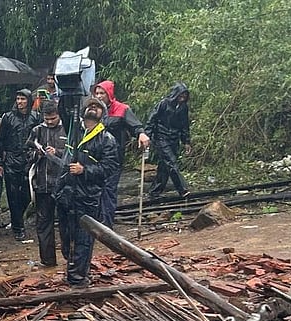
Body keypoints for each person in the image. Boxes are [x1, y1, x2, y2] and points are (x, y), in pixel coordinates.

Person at [56, 99, 119, 287]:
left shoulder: (106, 139)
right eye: (90, 106)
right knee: (66, 237)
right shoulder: (74, 131)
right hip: (67, 193)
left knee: (83, 238)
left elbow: (110, 167)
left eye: (98, 107)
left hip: (88, 195)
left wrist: (85, 170)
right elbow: (63, 107)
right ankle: (72, 270)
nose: (93, 108)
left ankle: (78, 278)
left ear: (103, 113)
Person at [92, 81, 150, 224]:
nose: (99, 96)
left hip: (114, 157)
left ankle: (107, 225)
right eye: (97, 93)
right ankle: (96, 222)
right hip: (94, 157)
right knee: (95, 190)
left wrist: (141, 134)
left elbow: (135, 125)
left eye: (102, 93)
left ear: (109, 94)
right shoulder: (92, 109)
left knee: (109, 189)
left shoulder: (122, 109)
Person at [27, 100, 68, 268]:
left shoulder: (68, 129)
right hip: (42, 185)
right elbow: (26, 153)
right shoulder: (37, 131)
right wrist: (37, 153)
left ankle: (70, 257)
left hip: (63, 184)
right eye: (47, 118)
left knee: (66, 223)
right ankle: (48, 260)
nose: (50, 122)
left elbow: (75, 153)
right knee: (44, 225)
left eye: (53, 118)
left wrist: (57, 152)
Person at [0, 89, 41, 240]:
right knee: (13, 196)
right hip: (11, 161)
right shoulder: (8, 117)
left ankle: (17, 219)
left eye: (23, 99)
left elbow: (40, 138)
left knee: (28, 195)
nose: (20, 102)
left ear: (29, 100)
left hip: (29, 161)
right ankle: (18, 227)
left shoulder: (36, 117)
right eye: (18, 99)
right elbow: (0, 140)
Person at [146, 82, 192, 199]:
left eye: (184, 96)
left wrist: (186, 141)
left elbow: (184, 125)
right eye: (180, 96)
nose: (182, 98)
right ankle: (182, 189)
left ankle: (155, 191)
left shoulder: (183, 107)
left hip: (174, 138)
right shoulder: (163, 104)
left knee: (164, 165)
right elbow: (152, 119)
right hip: (161, 136)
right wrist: (147, 136)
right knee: (171, 163)